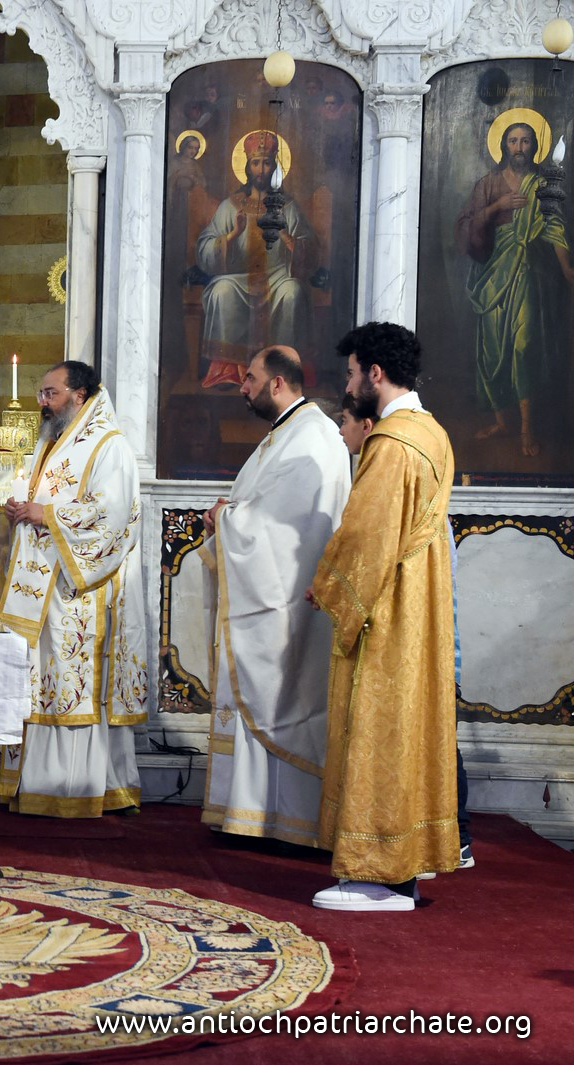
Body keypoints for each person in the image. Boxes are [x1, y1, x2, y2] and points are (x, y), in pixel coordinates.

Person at [308, 322, 458, 912]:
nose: (348, 383)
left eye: (350, 373)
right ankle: (402, 869)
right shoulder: (433, 432)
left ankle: (377, 875)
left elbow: (365, 535)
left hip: (388, 608)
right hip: (419, 604)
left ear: (374, 373)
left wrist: (327, 588)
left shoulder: (392, 443)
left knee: (378, 727)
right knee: (406, 731)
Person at [199, 346, 350, 844]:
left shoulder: (313, 437)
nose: (242, 388)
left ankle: (284, 822)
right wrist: (229, 516)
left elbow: (281, 530)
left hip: (287, 604)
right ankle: (253, 815)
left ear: (278, 384)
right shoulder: (287, 432)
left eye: (250, 379)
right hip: (273, 594)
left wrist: (225, 518)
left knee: (286, 703)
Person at [0, 361, 148, 817]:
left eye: (51, 393)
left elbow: (114, 513)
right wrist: (23, 508)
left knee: (69, 674)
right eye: (42, 394)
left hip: (81, 587)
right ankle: (35, 781)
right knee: (42, 672)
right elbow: (47, 498)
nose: (42, 402)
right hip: (43, 583)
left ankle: (77, 784)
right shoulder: (53, 441)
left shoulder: (109, 444)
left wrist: (47, 516)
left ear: (79, 394)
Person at [455, 120, 574, 457]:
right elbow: (465, 225)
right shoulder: (488, 183)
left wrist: (565, 266)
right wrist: (496, 207)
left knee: (523, 346)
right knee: (493, 351)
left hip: (527, 269)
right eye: (513, 141)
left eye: (525, 141)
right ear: (503, 146)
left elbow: (554, 226)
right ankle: (501, 421)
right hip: (492, 273)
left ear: (535, 146)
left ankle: (526, 428)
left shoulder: (544, 184)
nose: (519, 148)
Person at [195, 130, 313, 388]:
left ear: (275, 167)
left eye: (267, 162)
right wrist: (232, 235)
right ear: (247, 166)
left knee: (292, 293)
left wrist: (286, 235)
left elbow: (309, 248)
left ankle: (283, 370)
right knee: (222, 291)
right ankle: (228, 371)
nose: (261, 169)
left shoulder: (288, 207)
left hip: (278, 278)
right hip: (240, 278)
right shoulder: (231, 206)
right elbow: (205, 247)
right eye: (256, 162)